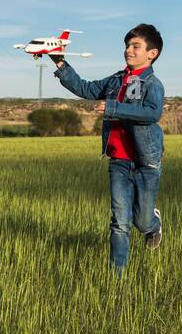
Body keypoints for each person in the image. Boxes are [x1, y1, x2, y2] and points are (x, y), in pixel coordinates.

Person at [50, 25, 165, 273]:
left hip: (145, 162)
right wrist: (60, 64)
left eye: (136, 46)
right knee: (119, 223)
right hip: (119, 163)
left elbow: (151, 113)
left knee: (142, 220)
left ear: (152, 53)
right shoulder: (116, 80)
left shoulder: (152, 83)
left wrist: (113, 108)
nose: (128, 50)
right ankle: (117, 277)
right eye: (127, 46)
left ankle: (152, 225)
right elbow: (87, 88)